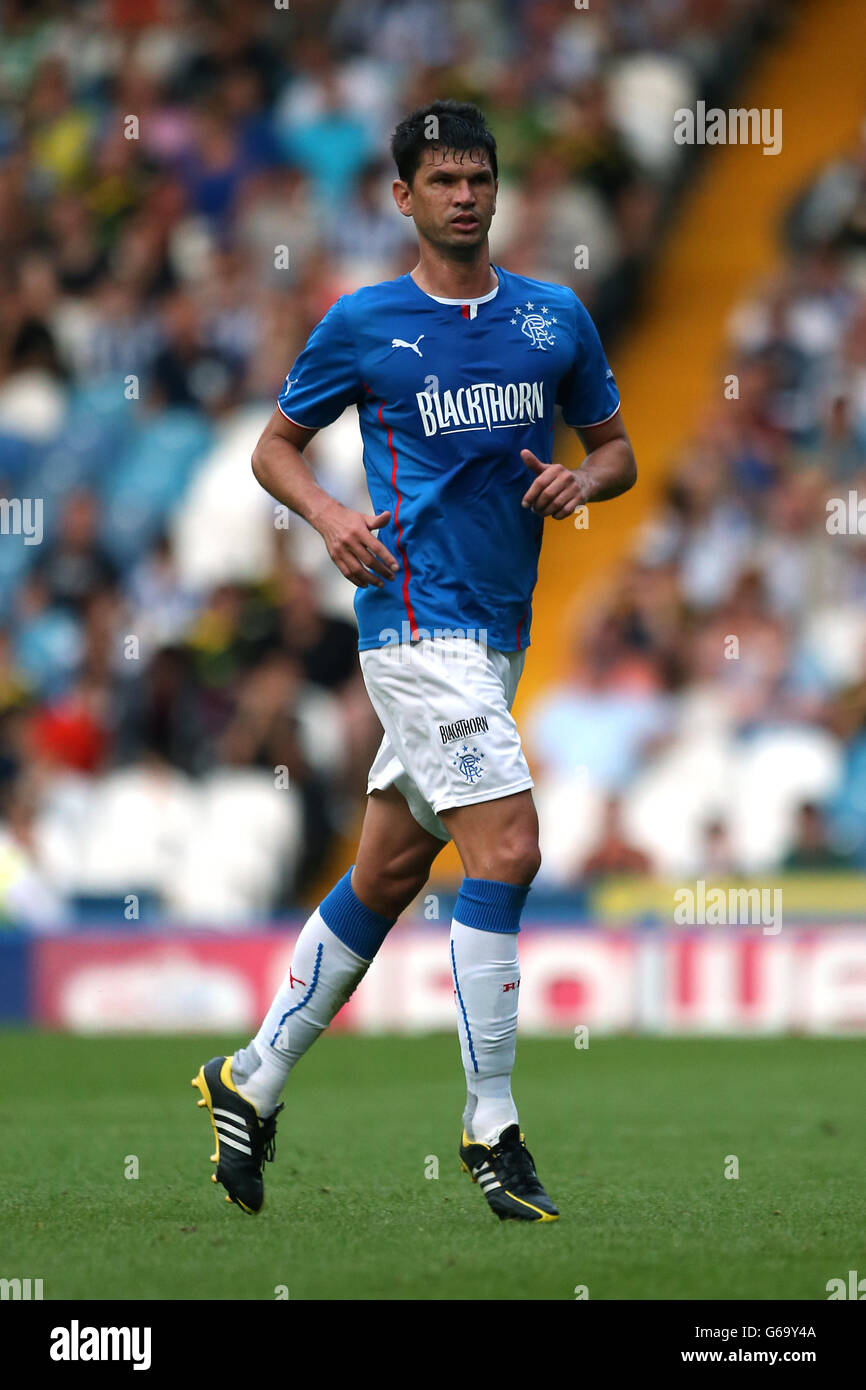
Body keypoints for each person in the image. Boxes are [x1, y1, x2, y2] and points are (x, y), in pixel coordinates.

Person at [191, 100, 636, 1222]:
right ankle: (492, 1126)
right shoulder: (361, 322)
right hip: (408, 624)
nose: (462, 193)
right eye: (439, 179)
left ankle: (251, 1076)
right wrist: (331, 517)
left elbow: (617, 448)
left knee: (388, 873)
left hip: (494, 639)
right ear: (401, 197)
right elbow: (271, 448)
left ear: (497, 188)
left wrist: (583, 483)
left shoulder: (553, 318)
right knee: (511, 843)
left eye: (477, 176)